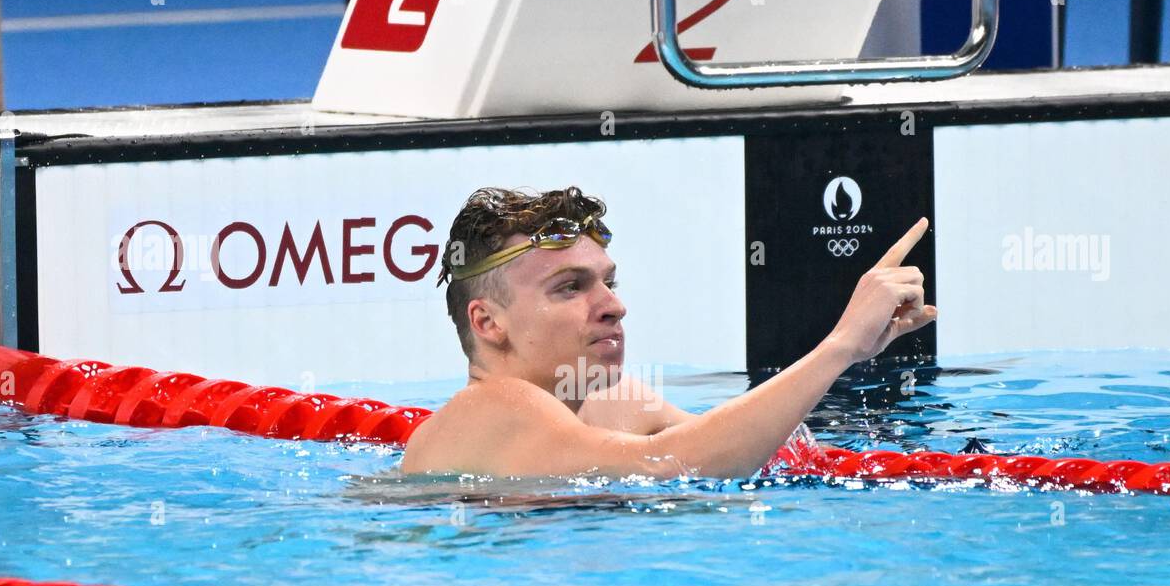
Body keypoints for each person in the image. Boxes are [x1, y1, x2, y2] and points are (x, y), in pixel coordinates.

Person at [400, 186, 935, 478]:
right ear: (488, 323)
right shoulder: (489, 410)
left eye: (609, 282)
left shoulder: (611, 403)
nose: (614, 306)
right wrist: (840, 347)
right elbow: (678, 465)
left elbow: (757, 450)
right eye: (570, 287)